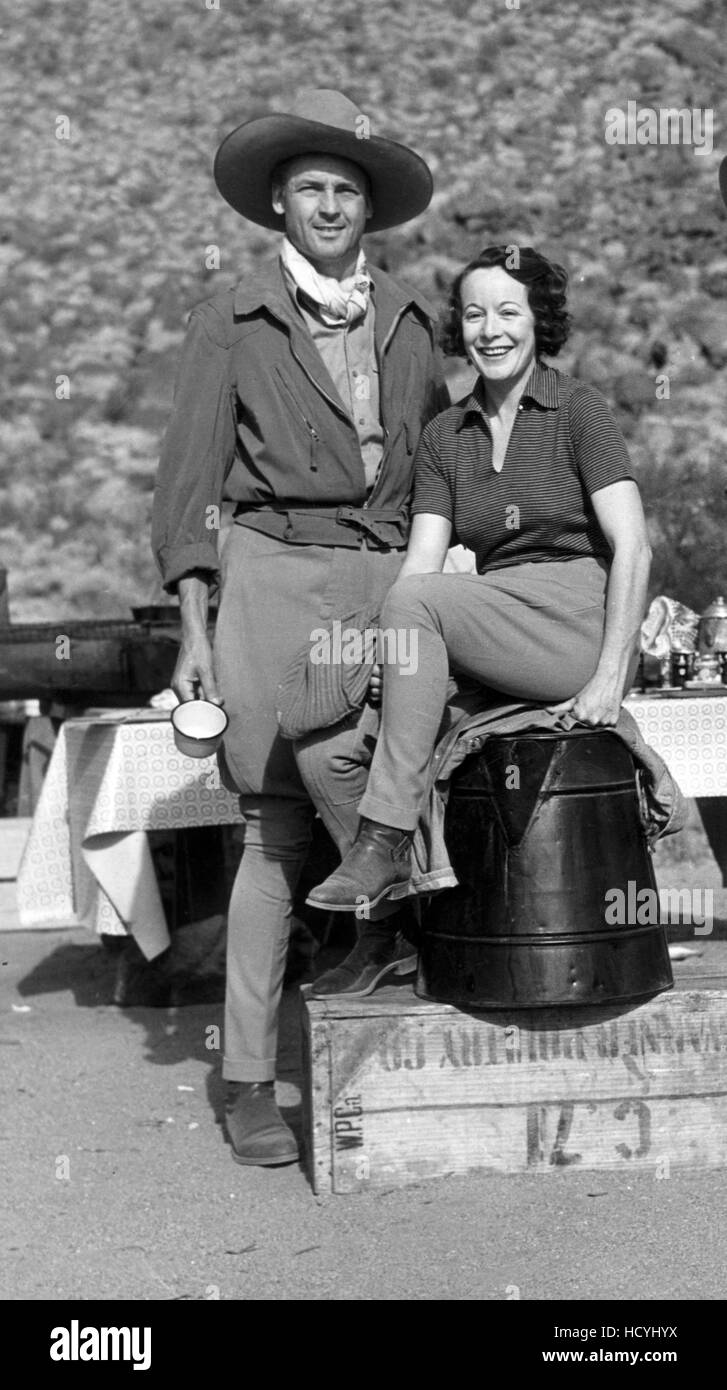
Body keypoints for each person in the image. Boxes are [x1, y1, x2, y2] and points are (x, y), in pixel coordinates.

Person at [151, 89, 448, 1166]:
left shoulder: (412, 317)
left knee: (401, 792)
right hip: (272, 573)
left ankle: (399, 1023)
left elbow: (437, 467)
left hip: (388, 579)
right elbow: (189, 489)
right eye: (311, 188)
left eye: (346, 191)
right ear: (279, 202)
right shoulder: (230, 317)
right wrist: (196, 630)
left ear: (368, 211)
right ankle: (244, 1079)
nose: (328, 206)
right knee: (278, 823)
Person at [303, 244, 652, 925]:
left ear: (539, 321)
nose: (489, 330)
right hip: (495, 627)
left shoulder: (580, 410)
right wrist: (388, 651)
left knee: (414, 607)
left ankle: (385, 841)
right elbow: (422, 565)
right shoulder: (444, 436)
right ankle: (397, 920)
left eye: (506, 312)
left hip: (575, 618)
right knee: (332, 748)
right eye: (472, 314)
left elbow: (633, 548)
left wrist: (610, 676)